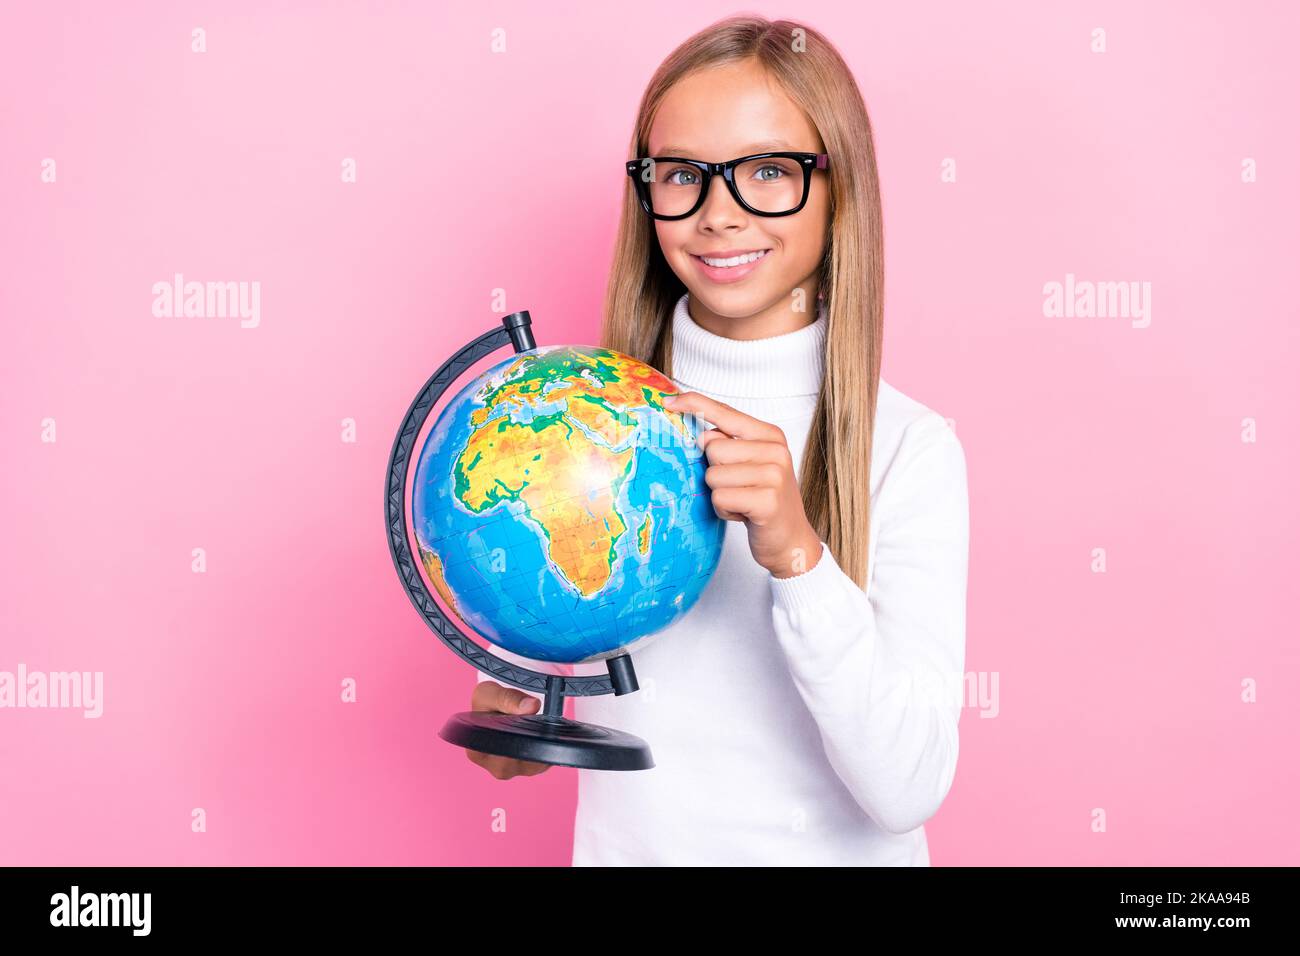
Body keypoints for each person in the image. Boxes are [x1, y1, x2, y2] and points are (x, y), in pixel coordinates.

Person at [467, 15, 970, 866]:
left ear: (837, 186)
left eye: (768, 172)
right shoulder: (580, 426)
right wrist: (507, 722)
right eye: (681, 176)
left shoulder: (909, 449)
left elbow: (907, 789)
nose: (718, 215)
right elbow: (514, 705)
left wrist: (801, 557)